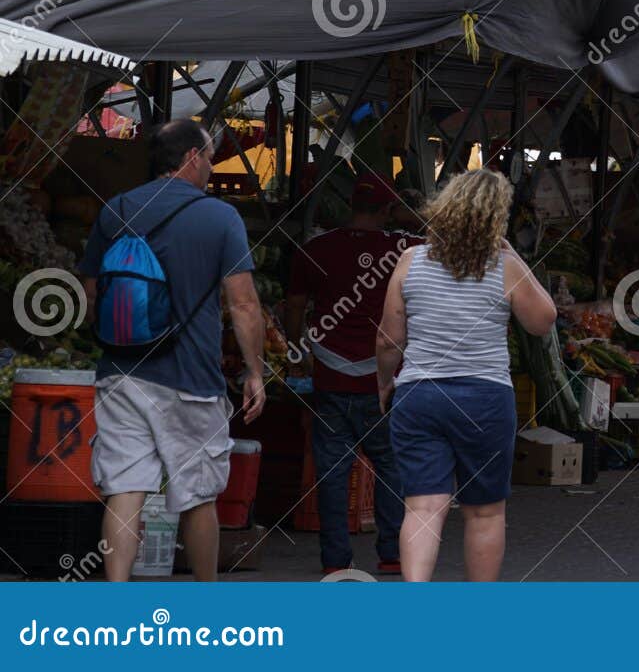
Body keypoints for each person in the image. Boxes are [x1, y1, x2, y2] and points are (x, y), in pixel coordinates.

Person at [79, 120, 266, 582]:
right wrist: (255, 372)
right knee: (198, 494)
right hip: (191, 379)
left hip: (120, 374)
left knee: (125, 487)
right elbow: (243, 303)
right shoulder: (221, 217)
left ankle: (117, 599)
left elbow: (87, 295)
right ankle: (205, 602)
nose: (209, 166)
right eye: (208, 156)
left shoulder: (116, 208)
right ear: (189, 159)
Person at [375, 169, 556, 581]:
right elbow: (543, 321)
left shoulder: (410, 260)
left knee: (422, 506)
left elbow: (389, 339)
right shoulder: (505, 265)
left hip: (419, 395)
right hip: (485, 400)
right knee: (485, 511)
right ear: (497, 218)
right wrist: (515, 257)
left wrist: (386, 383)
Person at [284, 173, 422, 576]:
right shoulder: (406, 249)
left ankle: (335, 560)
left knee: (332, 472)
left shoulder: (316, 248)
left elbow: (294, 306)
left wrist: (298, 352)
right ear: (387, 210)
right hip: (383, 379)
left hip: (330, 377)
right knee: (391, 465)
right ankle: (392, 551)